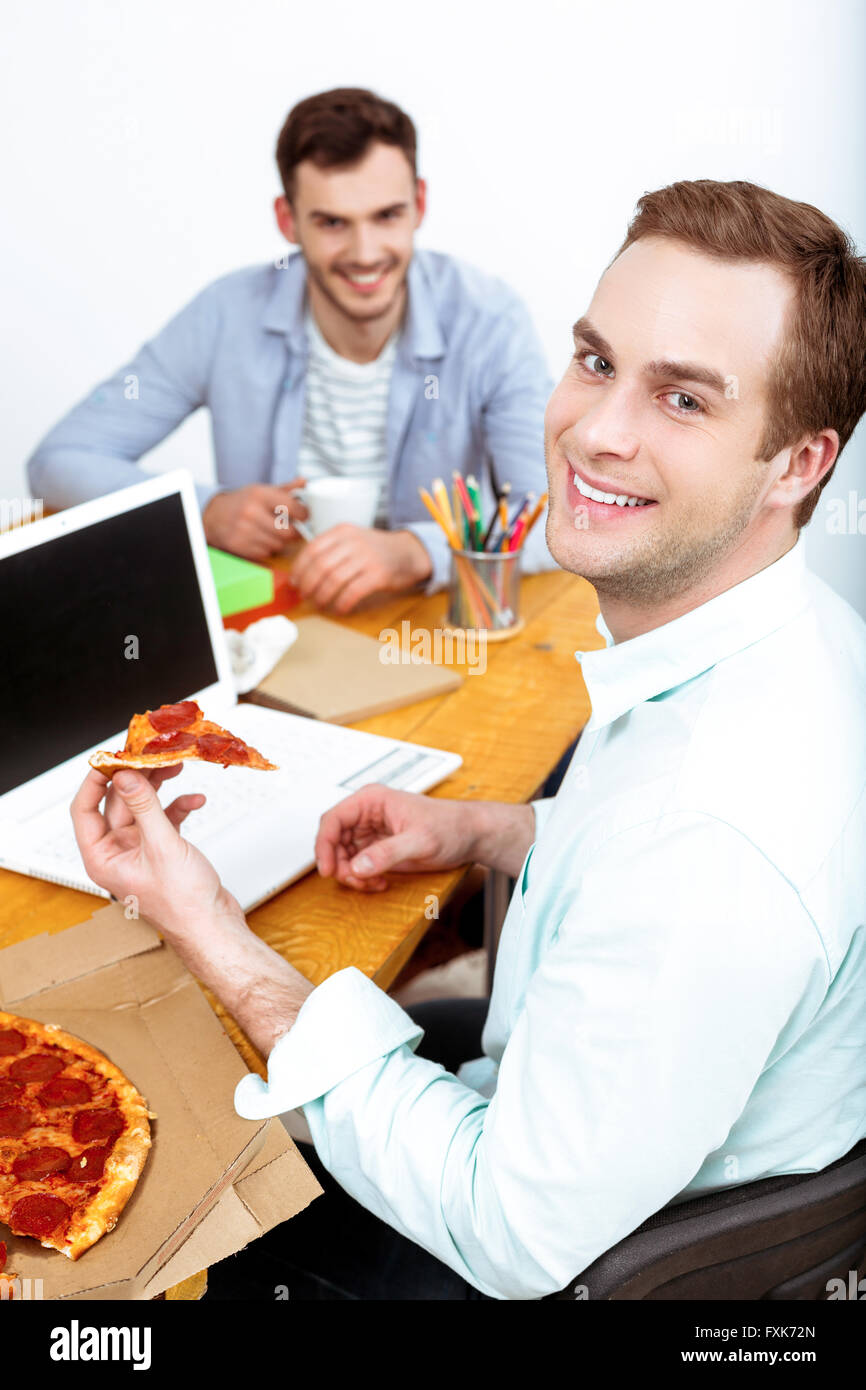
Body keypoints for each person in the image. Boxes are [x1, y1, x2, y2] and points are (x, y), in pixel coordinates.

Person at [70, 179, 866, 1299]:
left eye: (682, 400)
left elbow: (506, 1233)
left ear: (797, 463)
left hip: (519, 1251)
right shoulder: (802, 636)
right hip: (587, 1117)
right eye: (595, 360)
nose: (593, 429)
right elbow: (636, 855)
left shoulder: (709, 839)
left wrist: (205, 923)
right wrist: (487, 828)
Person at [26, 88, 553, 613]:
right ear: (287, 220)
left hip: (440, 617)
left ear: (419, 204)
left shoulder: (489, 320)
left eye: (387, 216)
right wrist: (205, 509)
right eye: (331, 223)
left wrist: (417, 551)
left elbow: (553, 515)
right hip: (277, 617)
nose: (365, 254)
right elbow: (59, 462)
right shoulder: (226, 313)